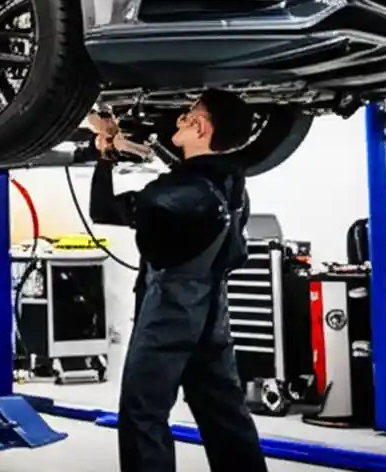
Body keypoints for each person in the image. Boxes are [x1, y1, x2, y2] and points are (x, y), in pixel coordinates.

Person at [88, 89, 268, 472]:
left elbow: (103, 210)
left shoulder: (170, 194)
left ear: (201, 126)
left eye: (188, 114)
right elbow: (193, 172)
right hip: (213, 313)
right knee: (224, 413)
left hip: (169, 312)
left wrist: (103, 153)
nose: (180, 118)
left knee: (143, 413)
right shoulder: (235, 186)